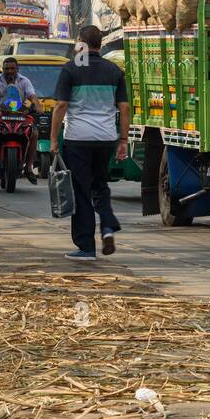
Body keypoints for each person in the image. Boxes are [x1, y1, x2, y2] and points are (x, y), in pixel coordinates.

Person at [51, 26, 129, 261]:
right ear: (101, 43)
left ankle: (86, 247)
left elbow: (61, 106)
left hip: (78, 140)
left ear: (81, 44)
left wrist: (53, 139)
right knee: (100, 186)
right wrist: (123, 140)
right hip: (106, 139)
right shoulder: (113, 70)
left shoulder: (71, 69)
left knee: (82, 192)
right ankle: (107, 227)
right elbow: (124, 108)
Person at [0, 57, 39, 181]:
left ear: (17, 69)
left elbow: (32, 95)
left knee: (34, 132)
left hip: (20, 114)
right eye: (7, 69)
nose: (9, 71)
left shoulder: (24, 81)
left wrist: (37, 105)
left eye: (12, 68)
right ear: (3, 69)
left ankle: (28, 168)